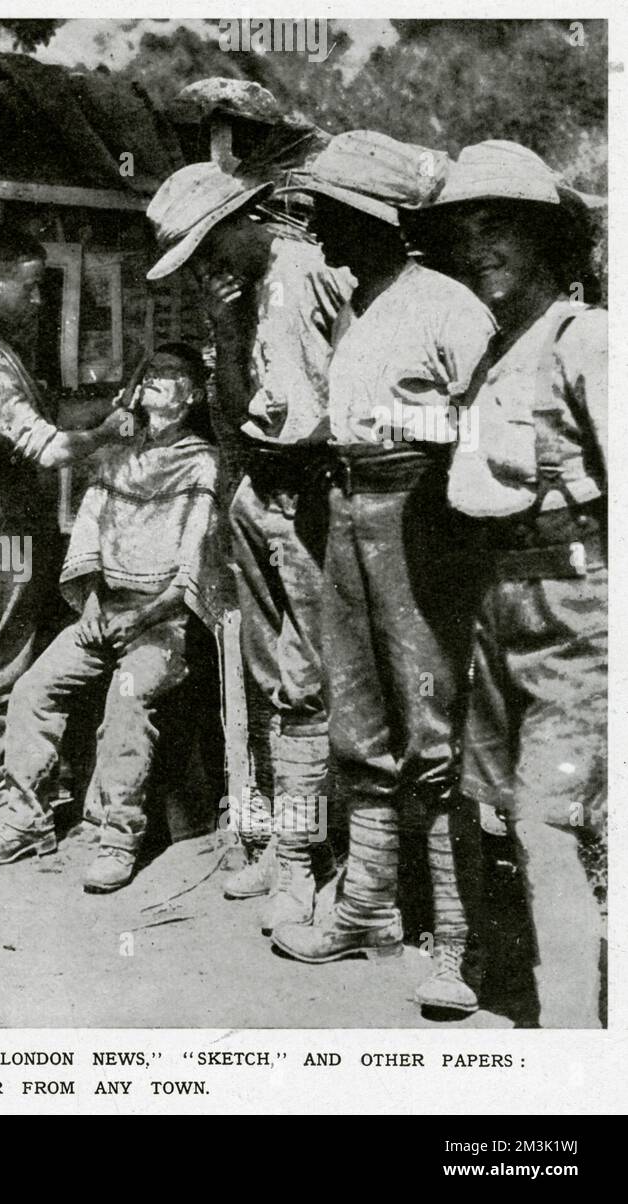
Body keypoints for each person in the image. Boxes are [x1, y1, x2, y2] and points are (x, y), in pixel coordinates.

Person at [269, 131, 497, 1017]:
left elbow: (496, 436)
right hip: (349, 511)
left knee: (431, 729)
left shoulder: (447, 305)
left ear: (377, 220)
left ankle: (455, 940)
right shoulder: (359, 302)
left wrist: (419, 423)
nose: (317, 233)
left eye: (330, 215)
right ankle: (366, 906)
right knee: (358, 722)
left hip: (422, 521)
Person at [411, 142, 606, 1026]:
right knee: (489, 809)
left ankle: (574, 1047)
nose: (479, 245)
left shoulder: (587, 337)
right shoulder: (496, 353)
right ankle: (509, 976)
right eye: (465, 230)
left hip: (580, 606)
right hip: (501, 600)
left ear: (547, 239)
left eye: (502, 226)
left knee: (546, 826)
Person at [147, 163, 352, 934]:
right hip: (258, 487)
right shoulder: (239, 291)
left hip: (310, 490)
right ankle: (288, 841)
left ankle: (305, 860)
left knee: (303, 686)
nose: (205, 268)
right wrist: (226, 333)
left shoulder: (307, 274)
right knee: (272, 681)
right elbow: (237, 413)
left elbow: (322, 412)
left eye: (207, 248)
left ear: (240, 220)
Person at [0, 343, 220, 891]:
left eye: (171, 374)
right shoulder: (117, 456)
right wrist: (90, 606)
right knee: (34, 688)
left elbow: (194, 569)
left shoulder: (203, 461)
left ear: (195, 394)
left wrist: (144, 616)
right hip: (103, 610)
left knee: (127, 696)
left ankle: (119, 836)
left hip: (162, 621)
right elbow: (87, 538)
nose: (154, 380)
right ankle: (26, 819)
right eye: (148, 372)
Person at [0, 224, 132, 837]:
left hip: (3, 517)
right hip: (0, 524)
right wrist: (110, 433)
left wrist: (106, 402)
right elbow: (48, 446)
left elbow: (48, 413)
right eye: (28, 288)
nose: (39, 300)